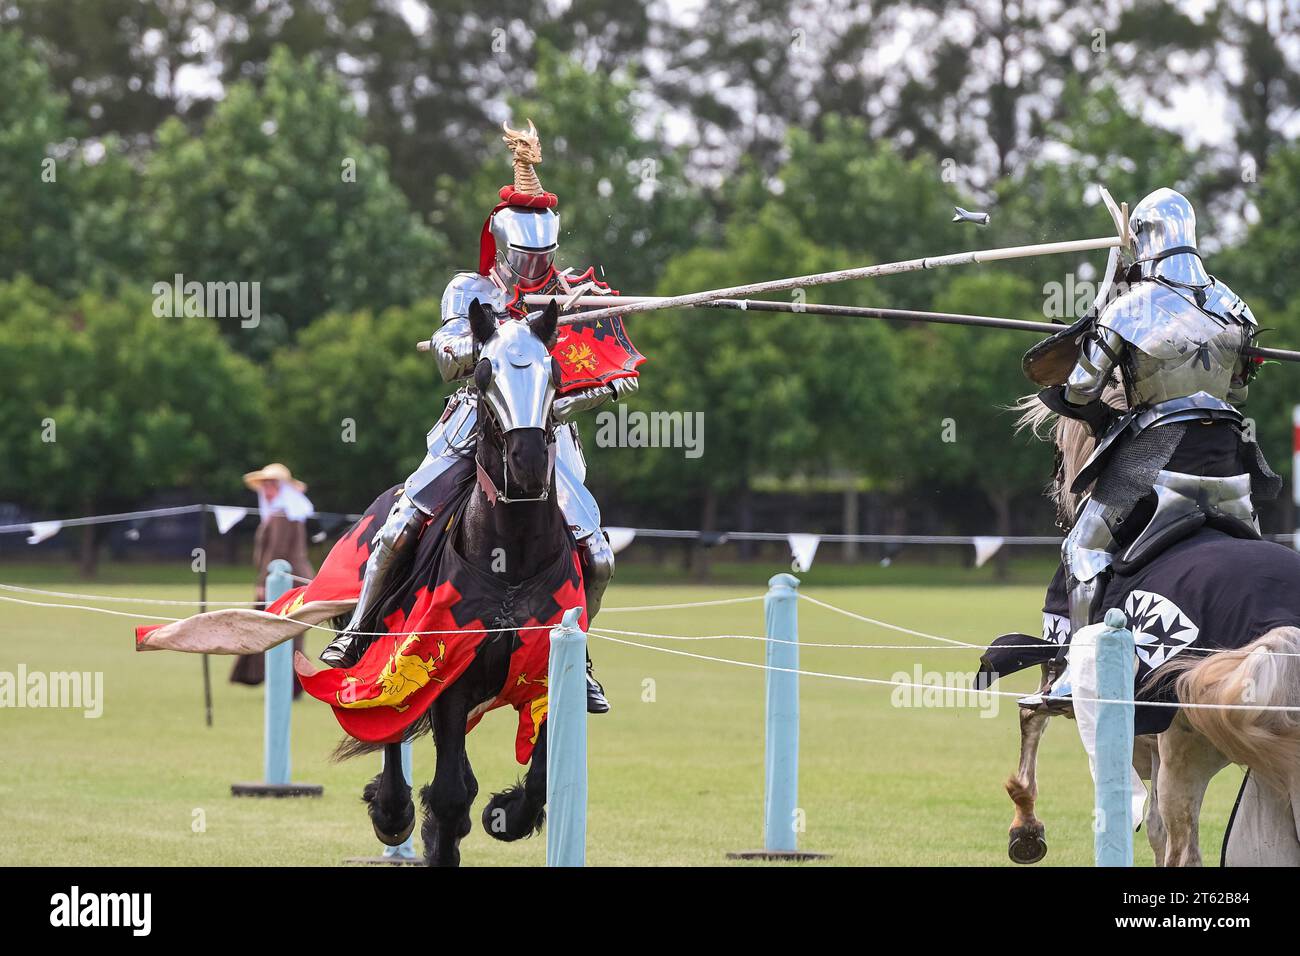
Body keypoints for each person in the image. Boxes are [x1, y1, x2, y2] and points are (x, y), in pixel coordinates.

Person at [319, 121, 642, 715]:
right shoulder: (470, 289)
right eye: (526, 255)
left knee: (597, 554)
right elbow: (447, 359)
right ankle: (360, 627)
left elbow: (575, 380)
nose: (536, 266)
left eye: (544, 256)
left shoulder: (572, 298)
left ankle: (579, 655)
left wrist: (609, 385)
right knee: (400, 524)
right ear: (503, 245)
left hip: (544, 432)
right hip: (475, 424)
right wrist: (500, 335)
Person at [1022, 187, 1280, 710]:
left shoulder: (1130, 308)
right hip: (1230, 458)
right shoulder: (1236, 306)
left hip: (1158, 455)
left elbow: (1079, 392)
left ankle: (1078, 668)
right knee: (1260, 554)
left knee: (1084, 549)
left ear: (1141, 240)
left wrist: (1089, 343)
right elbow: (1238, 393)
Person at [230, 463, 316, 696]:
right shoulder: (284, 511)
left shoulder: (281, 514)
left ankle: (293, 684)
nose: (267, 488)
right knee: (282, 632)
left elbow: (275, 552)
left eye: (272, 483)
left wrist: (263, 581)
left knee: (283, 633)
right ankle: (287, 682)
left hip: (286, 580)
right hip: (291, 578)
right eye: (265, 484)